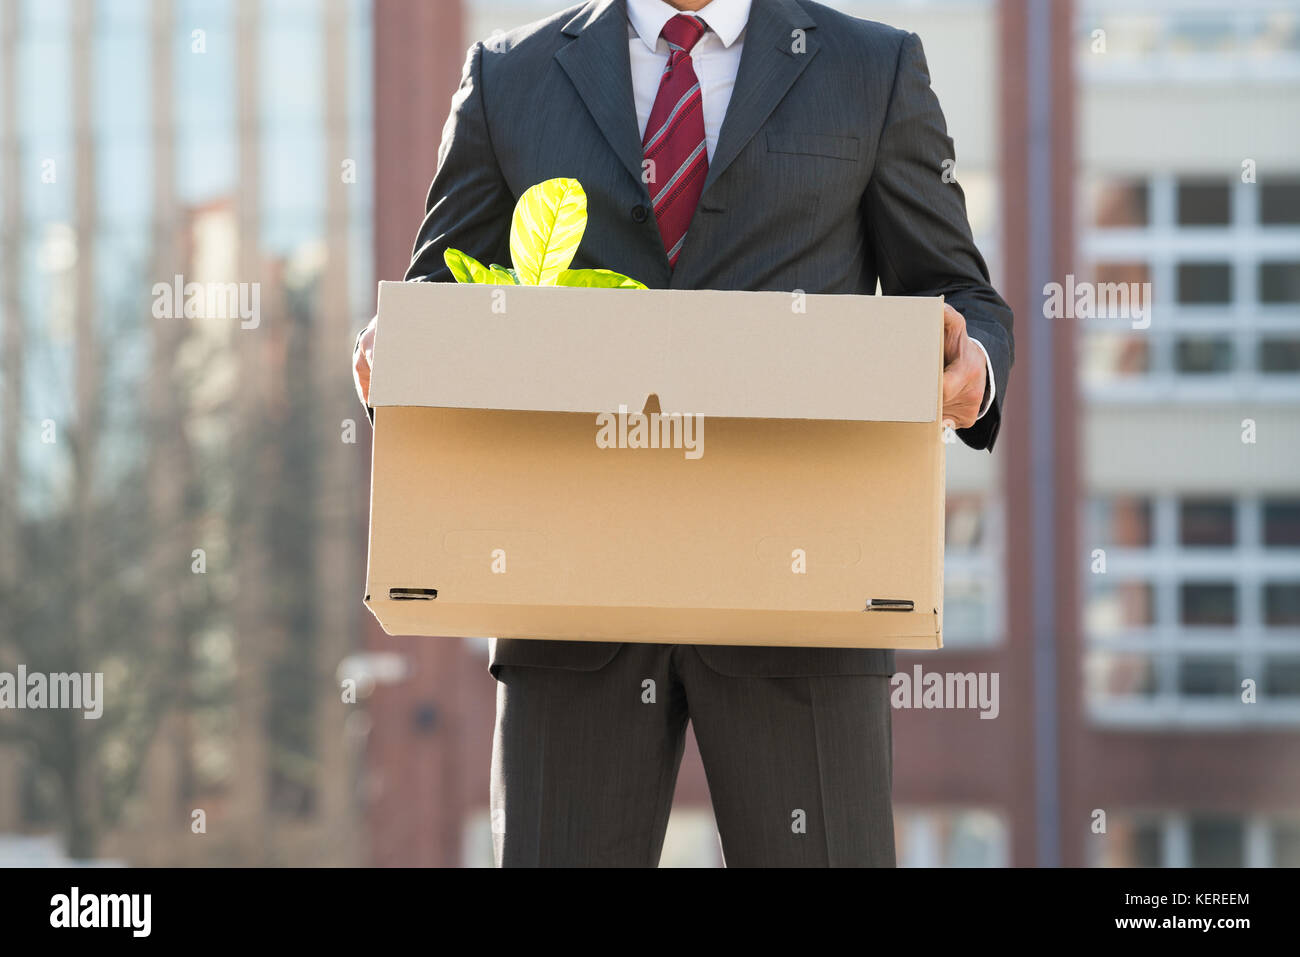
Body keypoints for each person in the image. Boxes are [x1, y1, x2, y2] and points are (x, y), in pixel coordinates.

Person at [353, 0, 1013, 867]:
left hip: (804, 606)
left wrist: (973, 370)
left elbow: (962, 294)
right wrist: (394, 360)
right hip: (570, 605)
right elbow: (440, 302)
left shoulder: (872, 68)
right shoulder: (509, 77)